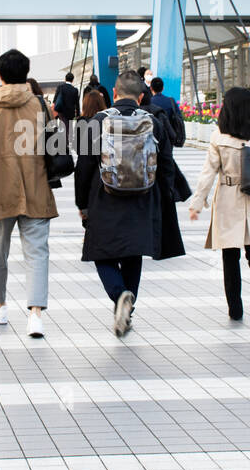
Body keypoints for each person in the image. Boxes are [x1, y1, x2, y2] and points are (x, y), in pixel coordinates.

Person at [74, 70, 183, 338]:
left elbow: (84, 167)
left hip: (105, 197)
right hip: (143, 199)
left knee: (101, 254)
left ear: (114, 92)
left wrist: (82, 204)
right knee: (133, 254)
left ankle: (119, 294)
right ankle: (128, 310)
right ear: (141, 95)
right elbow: (167, 166)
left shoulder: (96, 122)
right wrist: (164, 197)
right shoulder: (155, 120)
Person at [0, 49, 59, 339]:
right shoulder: (41, 106)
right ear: (26, 72)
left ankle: (0, 304)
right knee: (37, 253)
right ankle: (35, 315)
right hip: (36, 188)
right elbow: (54, 147)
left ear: (0, 75)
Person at [188, 87, 250, 322]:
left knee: (230, 258)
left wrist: (197, 203)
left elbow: (208, 172)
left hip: (229, 196)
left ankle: (235, 310)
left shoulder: (219, 136)